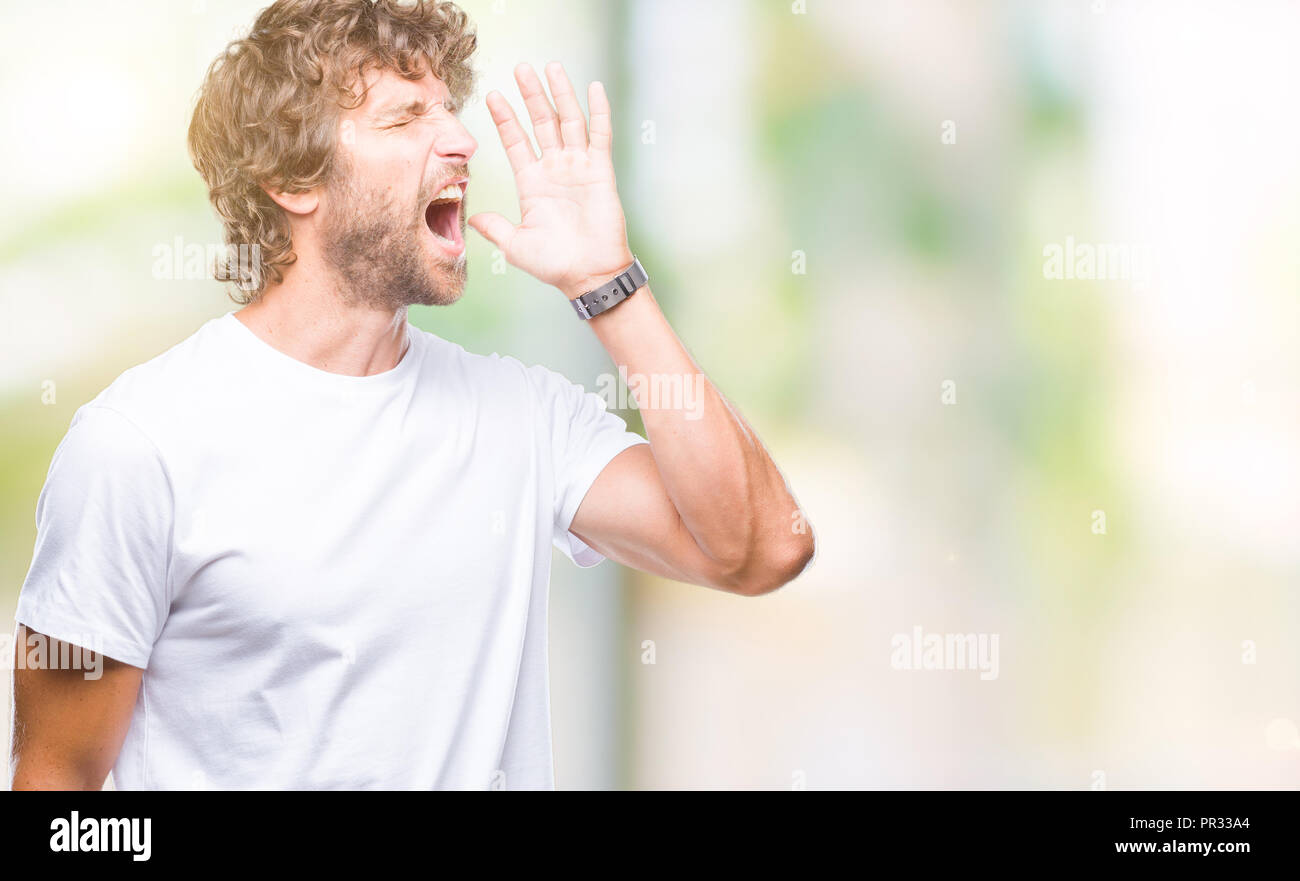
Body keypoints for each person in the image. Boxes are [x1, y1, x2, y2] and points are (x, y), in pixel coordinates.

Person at [10, 0, 814, 790]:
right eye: (403, 120)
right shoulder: (138, 445)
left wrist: (609, 281)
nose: (463, 141)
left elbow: (761, 548)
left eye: (450, 111)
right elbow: (56, 792)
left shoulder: (524, 415)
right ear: (293, 179)